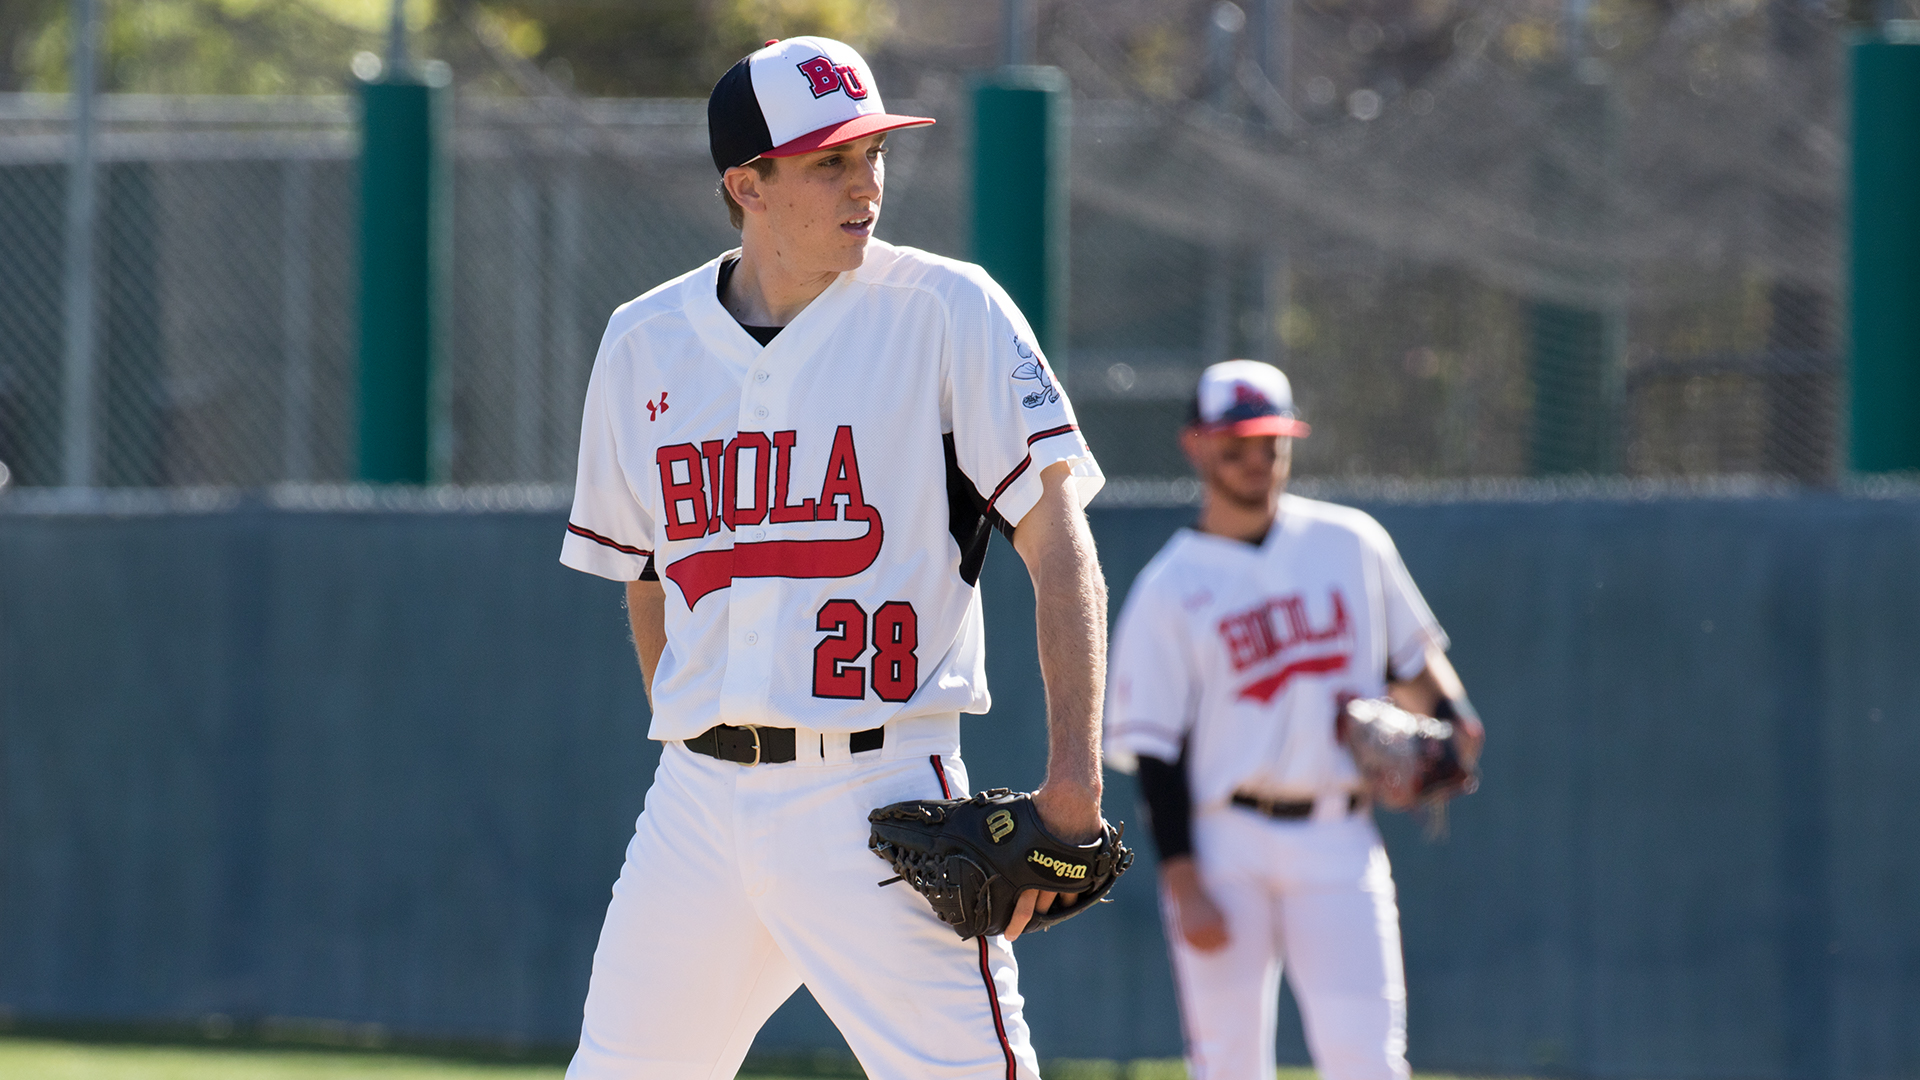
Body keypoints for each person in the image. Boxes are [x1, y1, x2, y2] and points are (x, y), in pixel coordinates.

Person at [557, 36, 1110, 1080]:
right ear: (747, 184)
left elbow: (1058, 542)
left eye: (873, 154)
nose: (867, 184)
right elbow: (647, 571)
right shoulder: (644, 339)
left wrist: (1074, 779)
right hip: (697, 806)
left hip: (878, 793)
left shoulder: (946, 309)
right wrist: (695, 720)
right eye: (831, 162)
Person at [1103, 360, 1485, 1080]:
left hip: (1339, 834)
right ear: (1196, 444)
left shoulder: (1350, 543)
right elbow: (1156, 754)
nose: (1256, 459)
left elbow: (1414, 664)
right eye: (1236, 444)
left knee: (1369, 1061)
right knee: (1228, 1065)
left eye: (1270, 443)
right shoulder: (1169, 588)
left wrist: (1456, 721)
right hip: (1223, 842)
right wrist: (1184, 882)